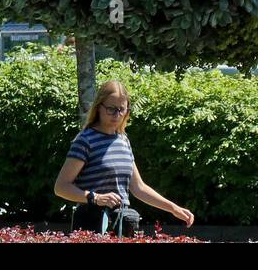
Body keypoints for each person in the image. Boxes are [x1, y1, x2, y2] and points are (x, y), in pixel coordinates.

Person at [53, 80, 195, 236]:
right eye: (111, 109)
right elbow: (61, 187)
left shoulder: (123, 140)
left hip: (121, 224)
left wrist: (174, 208)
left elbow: (138, 188)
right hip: (90, 225)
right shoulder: (85, 140)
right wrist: (95, 197)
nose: (117, 115)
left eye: (122, 110)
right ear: (99, 107)